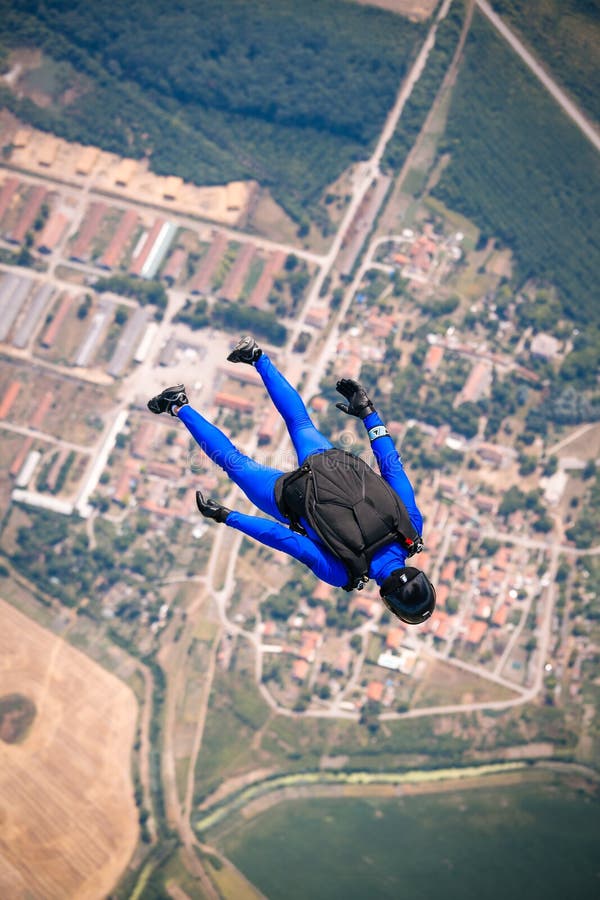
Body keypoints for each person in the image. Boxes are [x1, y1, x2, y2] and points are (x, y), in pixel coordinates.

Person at [148, 336, 435, 624]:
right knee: (234, 463)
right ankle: (178, 405)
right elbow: (286, 540)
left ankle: (256, 356)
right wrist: (228, 517)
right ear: (388, 602)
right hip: (292, 495)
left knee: (299, 422)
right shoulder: (345, 573)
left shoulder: (411, 529)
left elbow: (392, 466)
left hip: (332, 464)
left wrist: (368, 413)